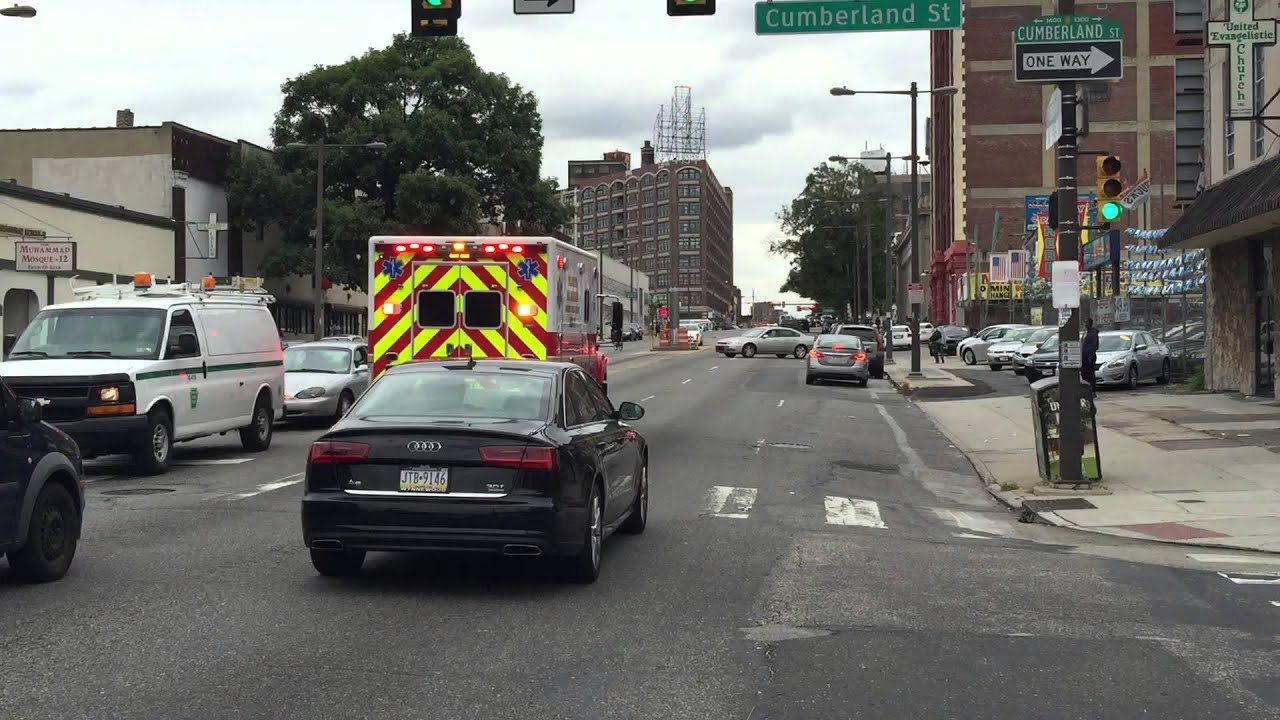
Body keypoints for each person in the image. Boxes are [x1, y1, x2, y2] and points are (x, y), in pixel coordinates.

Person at [1082, 317, 1100, 396]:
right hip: (1084, 356)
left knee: (1090, 373)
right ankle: (1086, 389)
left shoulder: (1093, 333)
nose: (1085, 324)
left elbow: (1094, 345)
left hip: (1090, 355)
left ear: (1090, 323)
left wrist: (1089, 354)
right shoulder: (1085, 332)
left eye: (1086, 323)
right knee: (1084, 373)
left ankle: (1092, 390)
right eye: (1085, 322)